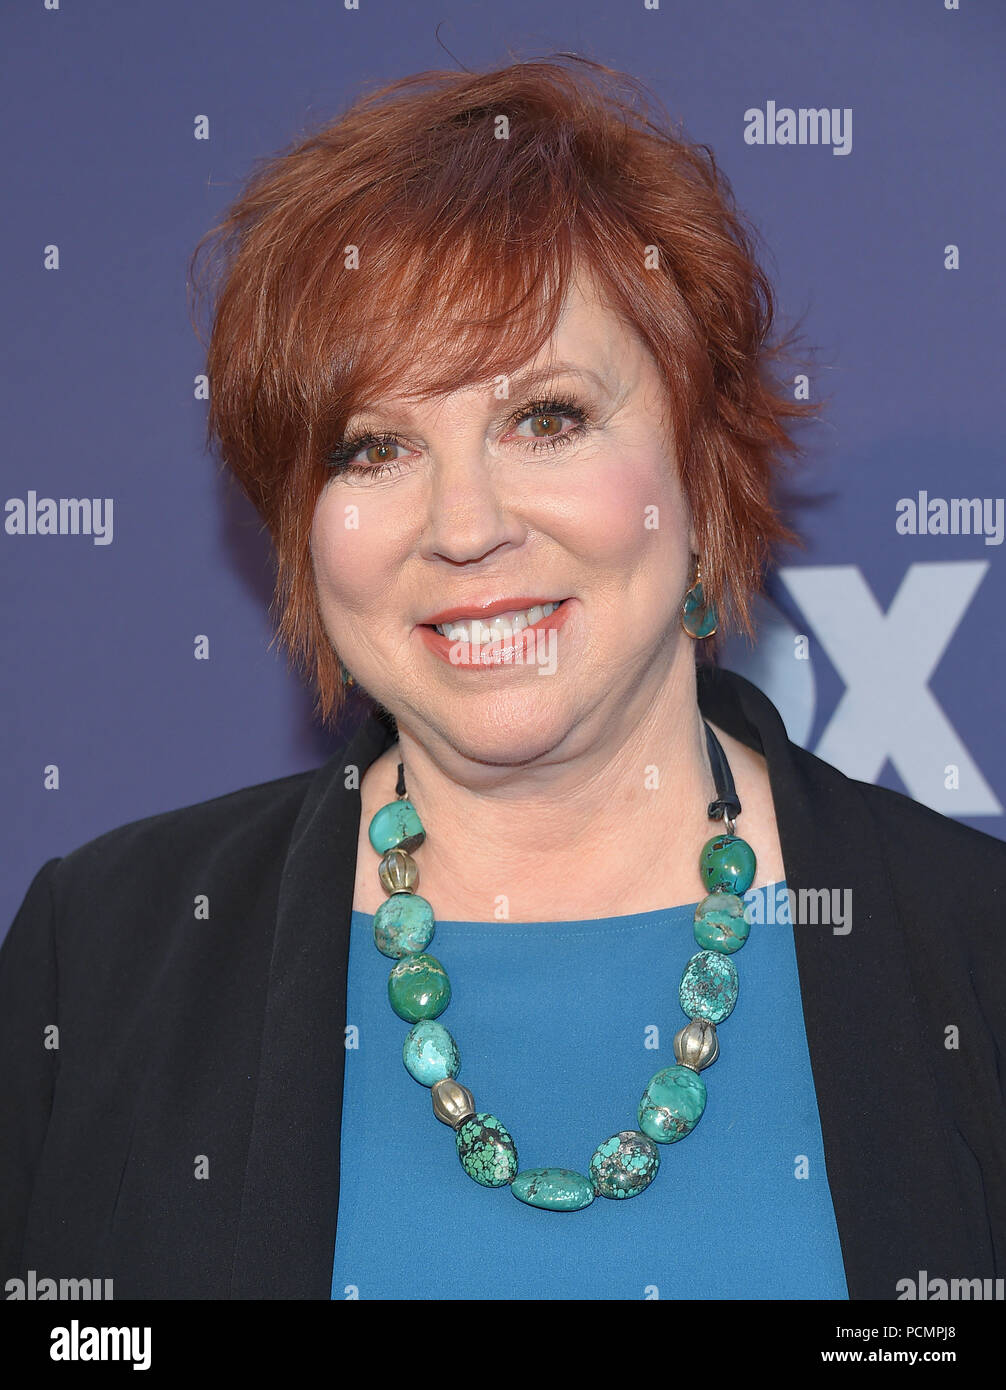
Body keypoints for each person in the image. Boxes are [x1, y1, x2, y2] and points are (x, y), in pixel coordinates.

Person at [2, 54, 1004, 1303]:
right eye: (373, 447)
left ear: (700, 470)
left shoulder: (972, 947)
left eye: (546, 418)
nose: (463, 524)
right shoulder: (98, 958)